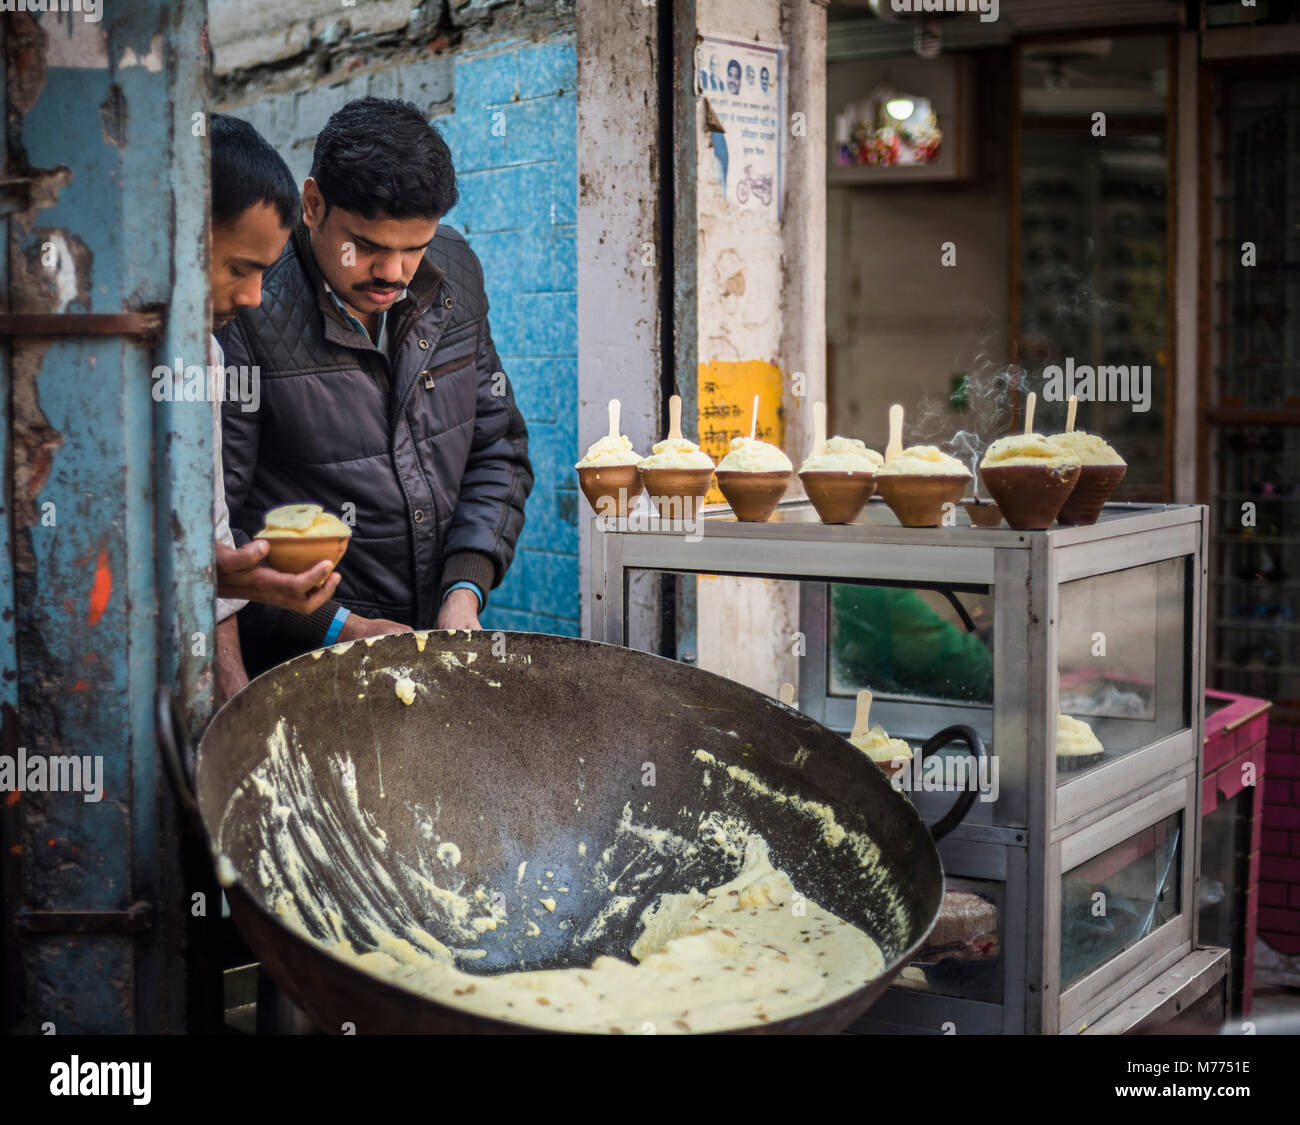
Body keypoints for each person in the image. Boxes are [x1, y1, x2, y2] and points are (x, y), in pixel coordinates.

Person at [219, 97, 533, 676]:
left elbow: (498, 449)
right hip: (297, 667)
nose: (392, 273)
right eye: (364, 246)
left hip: (427, 651)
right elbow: (219, 528)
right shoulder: (247, 305)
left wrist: (463, 590)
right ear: (312, 205)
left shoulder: (454, 271)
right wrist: (338, 628)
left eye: (414, 248)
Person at [207, 114, 343, 702]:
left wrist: (233, 711)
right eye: (240, 268)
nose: (253, 297)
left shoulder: (205, 358)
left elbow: (210, 538)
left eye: (264, 272)